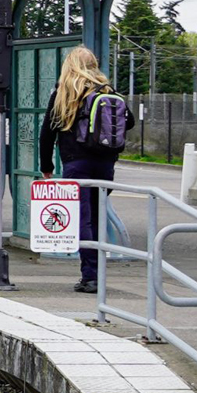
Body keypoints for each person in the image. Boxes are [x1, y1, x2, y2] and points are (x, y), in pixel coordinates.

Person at [40, 46, 135, 294]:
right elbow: (130, 121)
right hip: (105, 162)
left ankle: (90, 277)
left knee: (83, 219)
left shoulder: (64, 93)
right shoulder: (108, 91)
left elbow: (47, 132)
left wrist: (46, 166)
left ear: (69, 65)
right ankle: (97, 273)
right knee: (96, 216)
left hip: (75, 163)